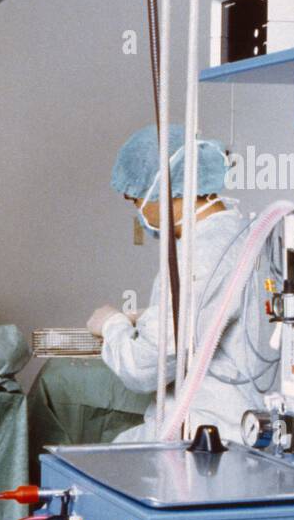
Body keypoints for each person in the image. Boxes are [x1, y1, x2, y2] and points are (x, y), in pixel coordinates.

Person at [85, 124, 275, 443]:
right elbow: (211, 318)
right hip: (240, 426)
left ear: (166, 190)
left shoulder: (198, 255)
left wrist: (111, 324)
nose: (140, 213)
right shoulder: (238, 233)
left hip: (205, 435)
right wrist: (149, 316)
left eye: (136, 200)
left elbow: (145, 368)